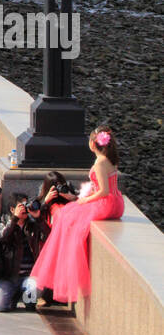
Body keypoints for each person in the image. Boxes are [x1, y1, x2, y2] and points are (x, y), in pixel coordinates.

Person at [30, 128, 124, 305]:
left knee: (67, 217)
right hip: (116, 202)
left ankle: (63, 274)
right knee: (69, 213)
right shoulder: (110, 160)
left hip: (106, 203)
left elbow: (103, 191)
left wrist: (85, 200)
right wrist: (78, 198)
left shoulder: (99, 163)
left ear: (92, 143)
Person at [0, 192, 51, 312]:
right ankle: (14, 295)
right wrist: (14, 219)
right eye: (21, 205)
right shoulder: (5, 222)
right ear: (12, 209)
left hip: (29, 276)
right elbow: (2, 238)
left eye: (26, 204)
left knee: (31, 300)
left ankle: (28, 300)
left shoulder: (32, 224)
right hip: (9, 276)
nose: (25, 208)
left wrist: (38, 218)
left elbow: (50, 236)